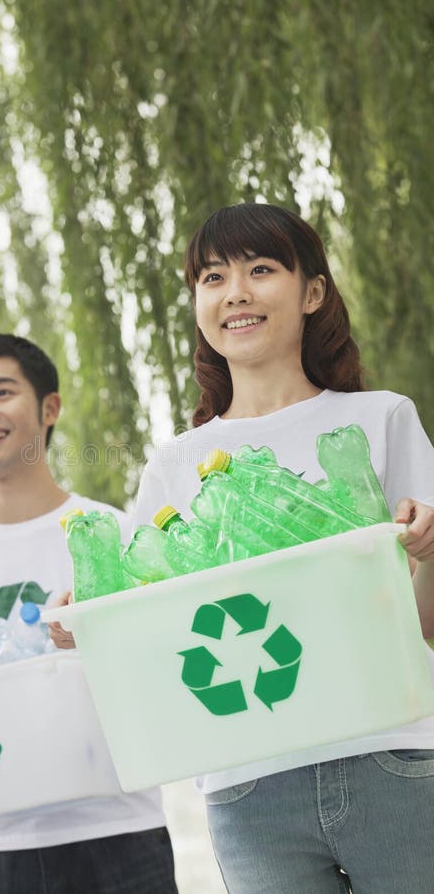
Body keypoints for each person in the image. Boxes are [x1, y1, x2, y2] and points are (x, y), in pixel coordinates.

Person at [129, 203, 434, 893]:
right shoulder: (174, 467)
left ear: (314, 292)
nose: (235, 291)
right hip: (247, 783)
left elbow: (425, 626)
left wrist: (430, 552)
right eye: (212, 277)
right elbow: (142, 628)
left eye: (260, 269)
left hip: (391, 753)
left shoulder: (380, 420)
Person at [0, 333, 178, 894]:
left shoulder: (116, 534)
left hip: (122, 830)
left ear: (49, 407)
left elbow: (169, 664)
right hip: (1, 847)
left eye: (1, 392)